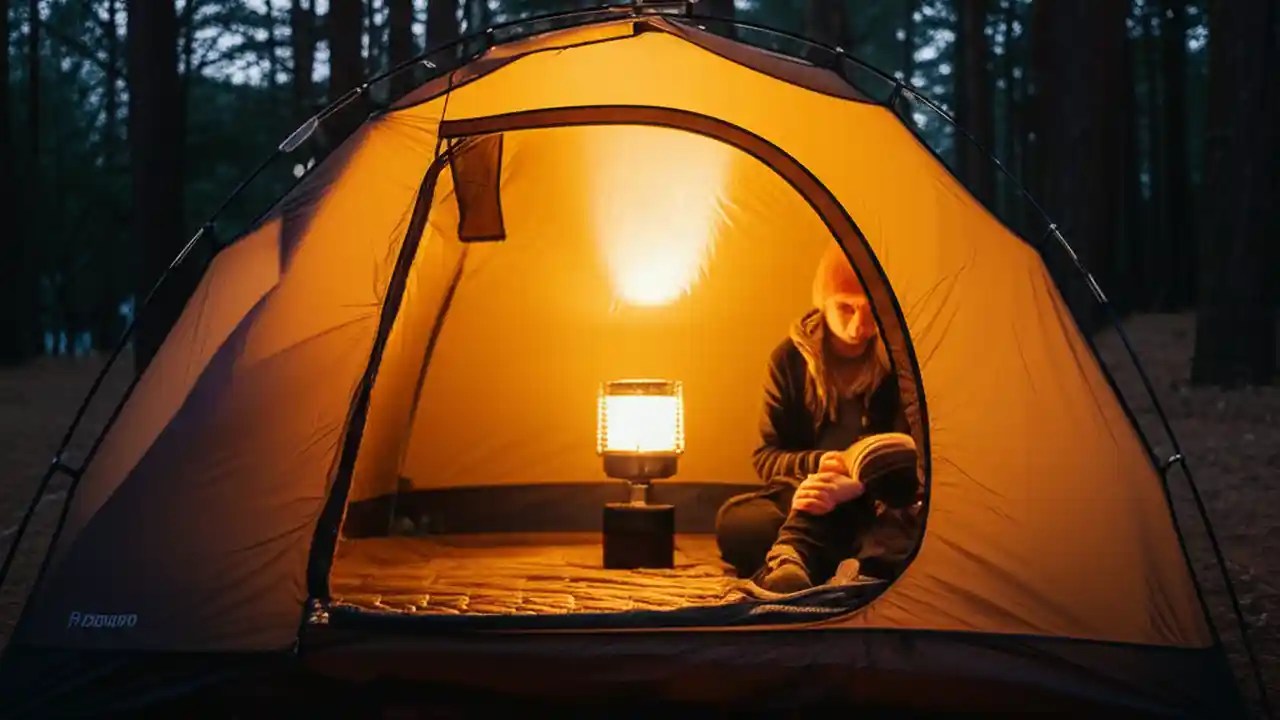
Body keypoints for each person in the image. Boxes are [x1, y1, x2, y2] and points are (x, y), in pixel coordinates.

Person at [715, 243, 919, 595]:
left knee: (893, 517)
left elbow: (910, 455)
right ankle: (845, 556)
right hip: (805, 490)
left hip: (874, 496)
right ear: (822, 303)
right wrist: (822, 465)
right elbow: (767, 457)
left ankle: (794, 558)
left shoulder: (898, 360)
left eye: (872, 310)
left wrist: (856, 482)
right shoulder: (789, 360)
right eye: (846, 307)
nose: (860, 324)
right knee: (738, 522)